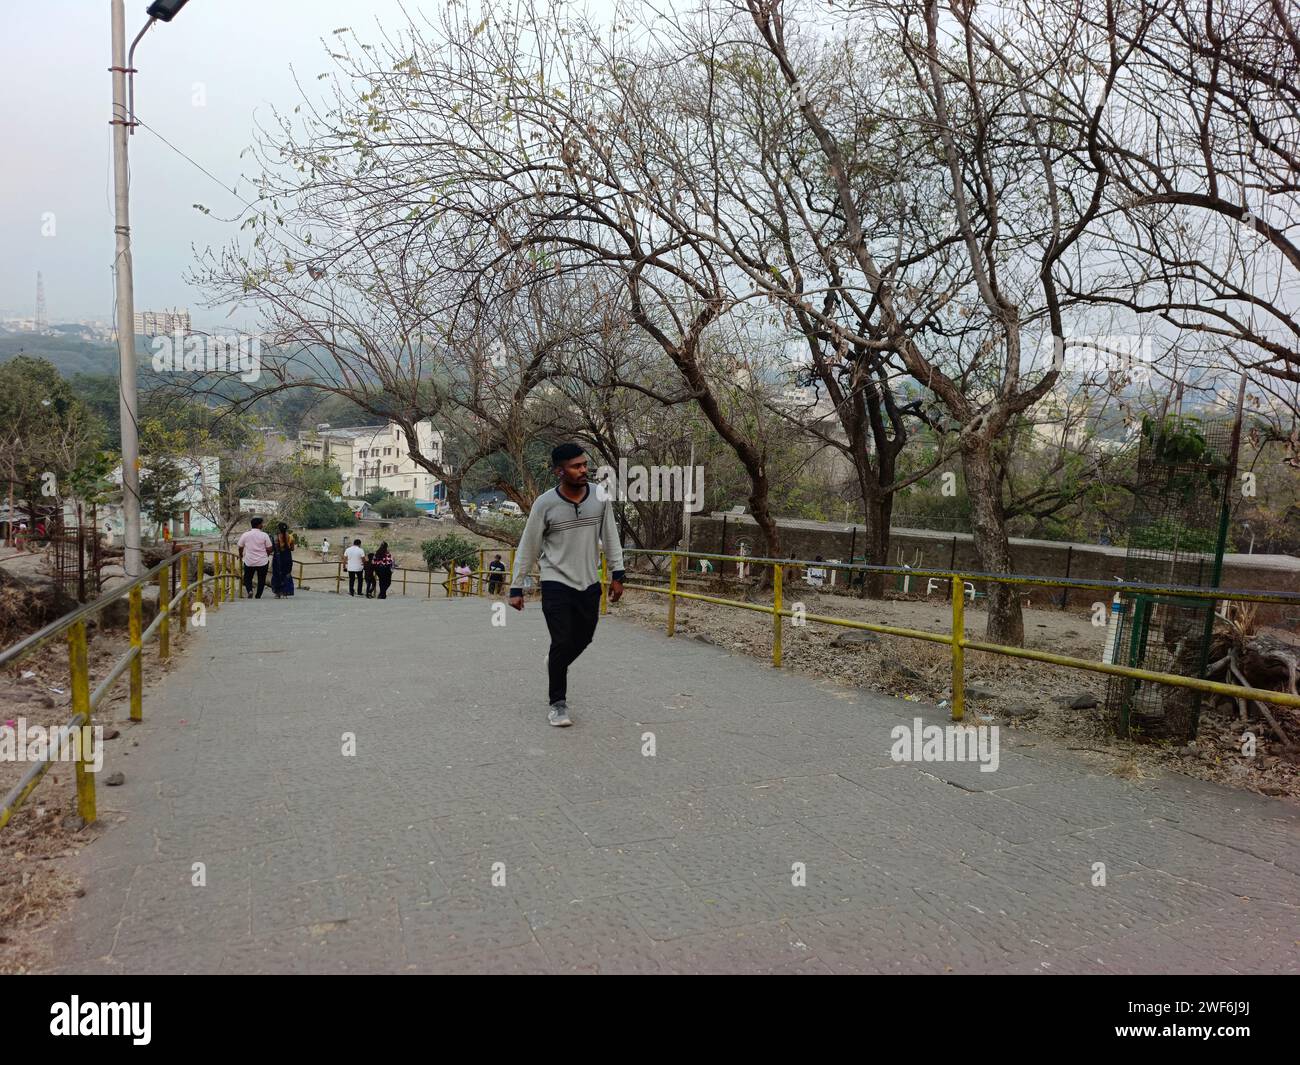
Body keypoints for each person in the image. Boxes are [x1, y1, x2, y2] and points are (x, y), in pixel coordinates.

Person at [509, 442, 624, 728]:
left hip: (589, 582)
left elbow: (610, 535)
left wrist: (618, 573)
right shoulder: (545, 504)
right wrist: (516, 587)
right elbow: (529, 546)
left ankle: (556, 662)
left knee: (584, 638)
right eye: (576, 466)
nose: (584, 470)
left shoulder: (599, 497)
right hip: (555, 581)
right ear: (559, 471)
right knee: (561, 641)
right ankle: (557, 704)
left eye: (585, 464)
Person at [237, 517, 274, 599]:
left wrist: (240, 555)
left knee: (247, 578)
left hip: (249, 561)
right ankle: (258, 596)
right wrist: (266, 554)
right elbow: (270, 548)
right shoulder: (264, 535)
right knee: (261, 579)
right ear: (259, 525)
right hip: (262, 561)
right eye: (262, 523)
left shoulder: (245, 534)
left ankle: (249, 590)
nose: (263, 525)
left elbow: (240, 546)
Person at [270, 522, 296, 598]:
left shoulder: (275, 537)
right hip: (287, 557)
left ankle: (277, 593)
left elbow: (272, 549)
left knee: (277, 574)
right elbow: (292, 549)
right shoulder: (291, 537)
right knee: (287, 573)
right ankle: (286, 593)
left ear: (278, 529)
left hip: (277, 558)